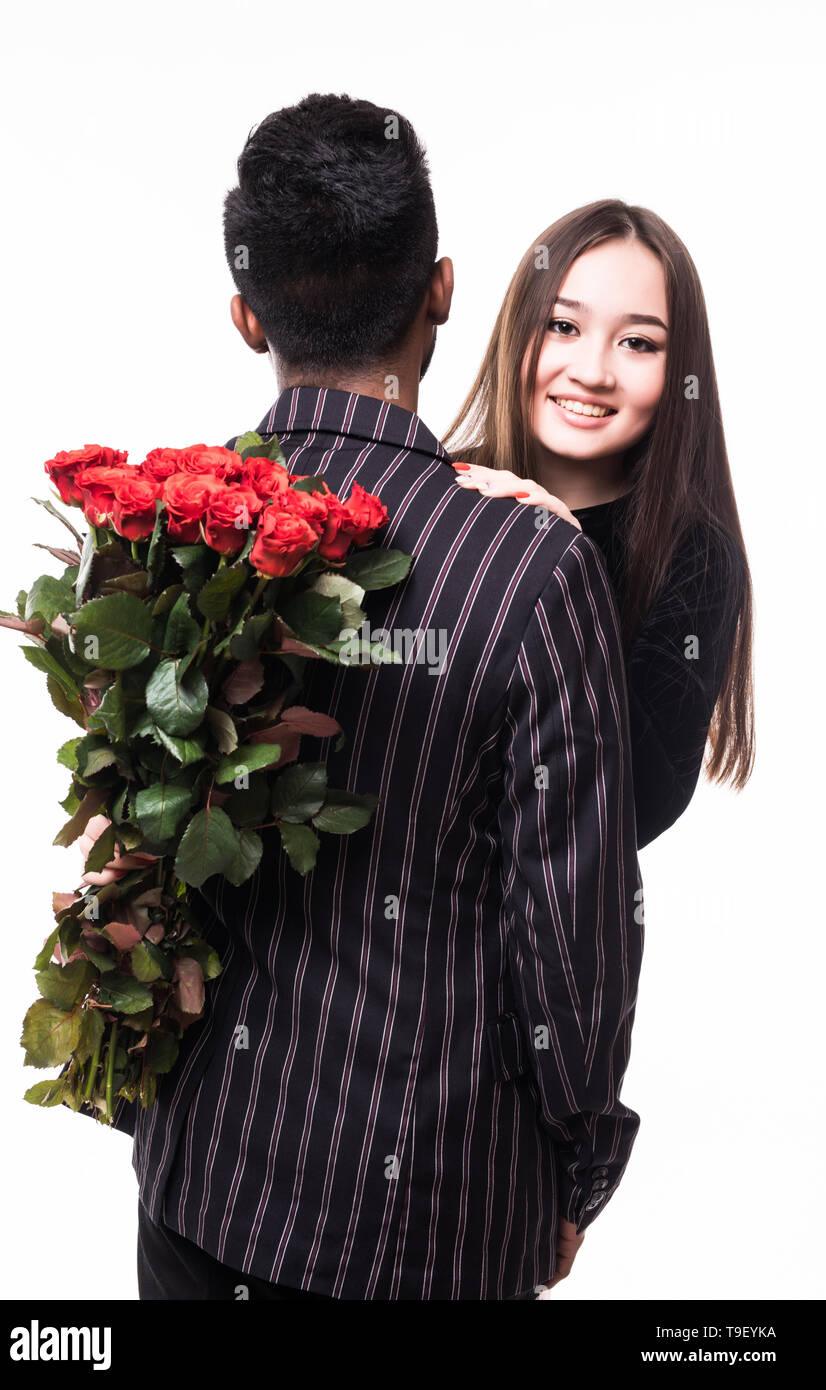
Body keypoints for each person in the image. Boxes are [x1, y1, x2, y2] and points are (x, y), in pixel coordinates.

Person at [78, 93, 644, 1301]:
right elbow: (571, 939)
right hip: (424, 1233)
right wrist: (577, 1170)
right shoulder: (530, 572)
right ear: (439, 289)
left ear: (245, 316)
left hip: (199, 1196)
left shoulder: (162, 540)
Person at [444, 201, 755, 847]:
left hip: (530, 939)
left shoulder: (696, 556)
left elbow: (639, 805)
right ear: (517, 330)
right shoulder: (437, 490)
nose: (592, 372)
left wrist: (571, 567)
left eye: (638, 342)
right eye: (562, 326)